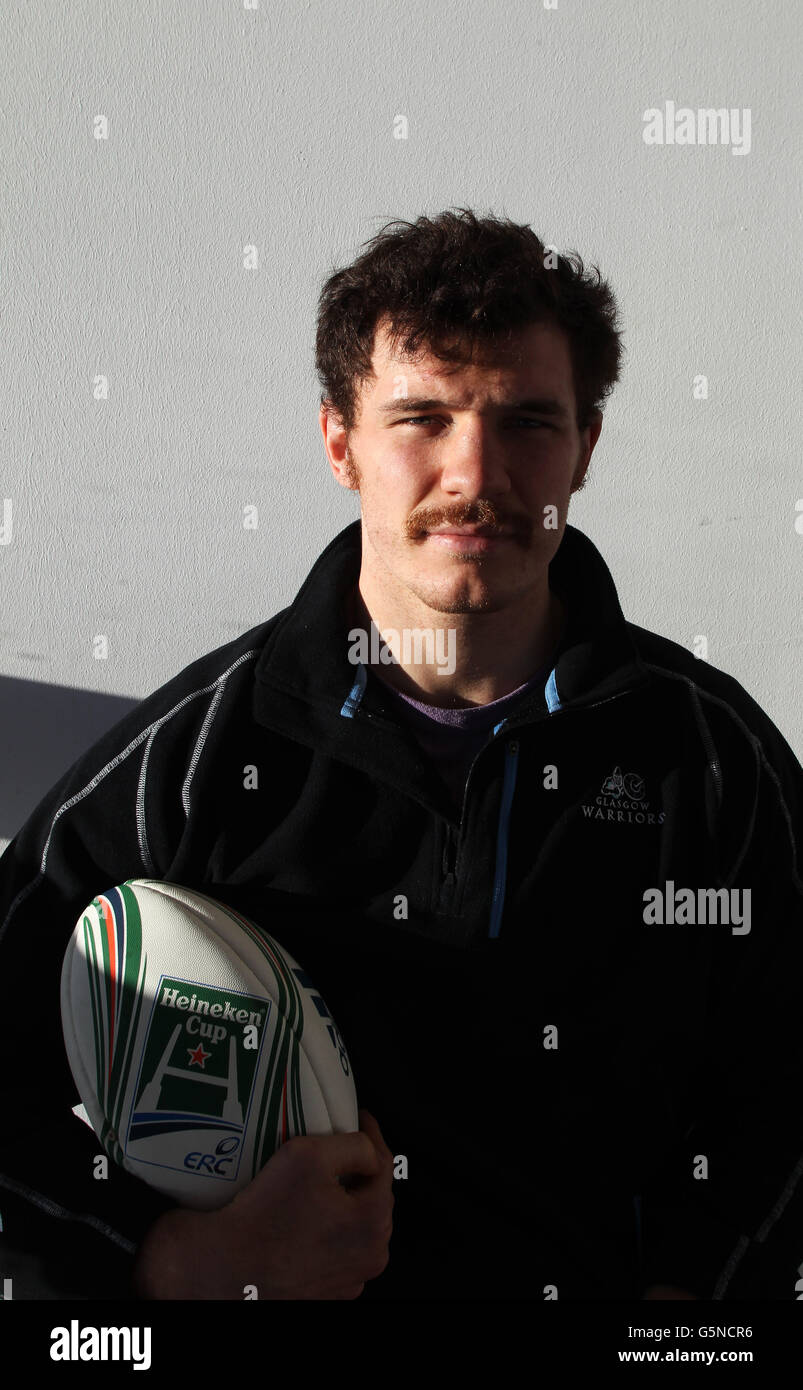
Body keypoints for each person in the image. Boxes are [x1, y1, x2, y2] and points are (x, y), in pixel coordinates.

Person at [0, 208, 801, 1301]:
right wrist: (168, 1262)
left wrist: (686, 1303)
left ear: (585, 446)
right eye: (421, 417)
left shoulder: (710, 762)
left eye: (526, 422)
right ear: (338, 442)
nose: (474, 475)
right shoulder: (192, 763)